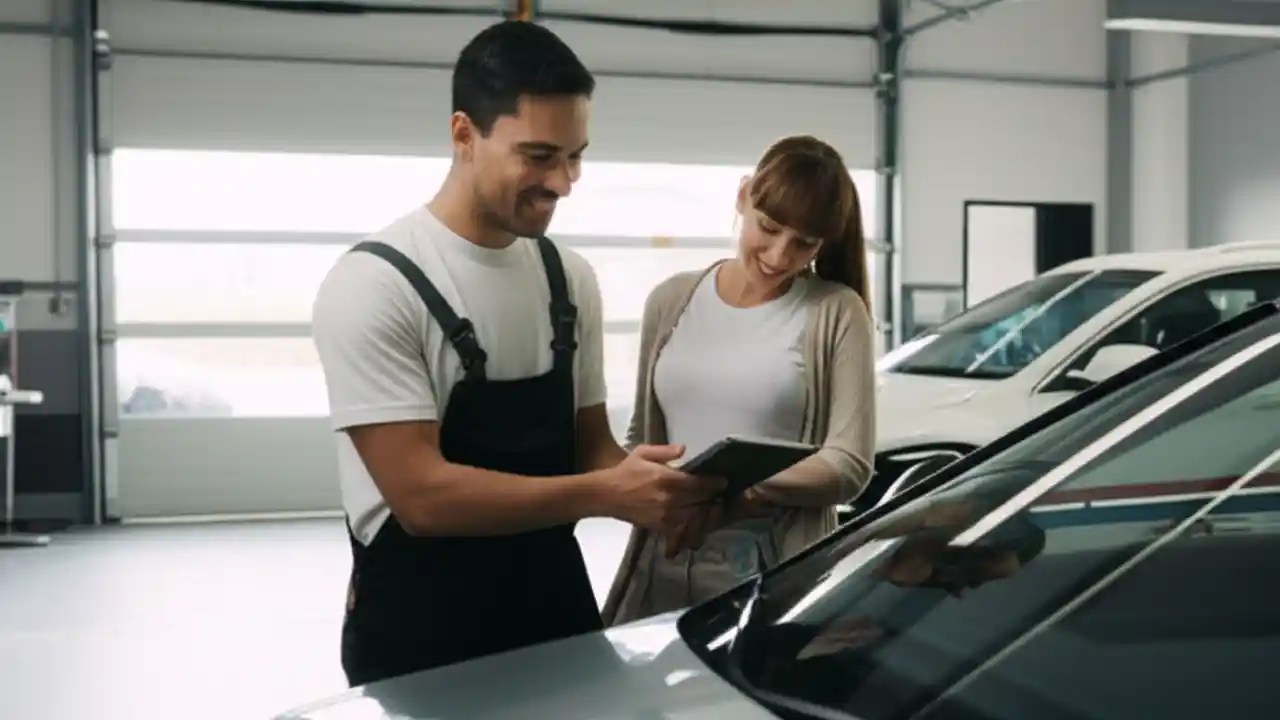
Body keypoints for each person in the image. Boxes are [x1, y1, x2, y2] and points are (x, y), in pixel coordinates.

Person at [311, 20, 724, 687]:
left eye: (576, 155)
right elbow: (422, 497)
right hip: (420, 637)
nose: (563, 182)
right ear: (464, 135)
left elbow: (589, 447)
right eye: (538, 156)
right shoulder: (376, 284)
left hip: (553, 615)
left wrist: (652, 487)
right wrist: (604, 492)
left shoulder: (570, 278)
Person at [601, 134, 878, 625]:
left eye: (804, 243)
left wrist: (737, 495)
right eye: (768, 228)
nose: (779, 254)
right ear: (743, 195)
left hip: (773, 573)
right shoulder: (671, 299)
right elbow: (644, 438)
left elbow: (849, 467)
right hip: (663, 561)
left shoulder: (836, 311)